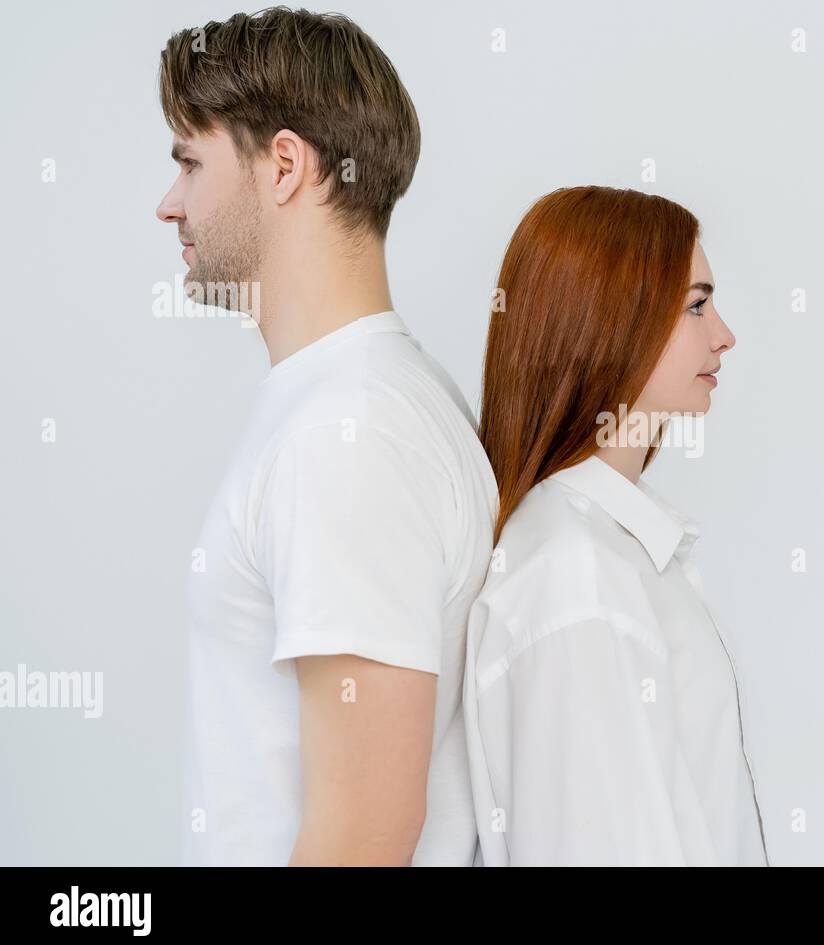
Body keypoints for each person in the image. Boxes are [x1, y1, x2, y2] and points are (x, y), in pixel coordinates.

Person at [156, 8, 496, 865]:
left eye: (190, 164)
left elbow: (364, 837)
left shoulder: (347, 436)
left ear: (283, 165)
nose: (169, 206)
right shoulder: (365, 401)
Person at [464, 186, 769, 865]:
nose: (724, 334)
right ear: (609, 318)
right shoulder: (578, 578)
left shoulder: (602, 551)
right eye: (696, 304)